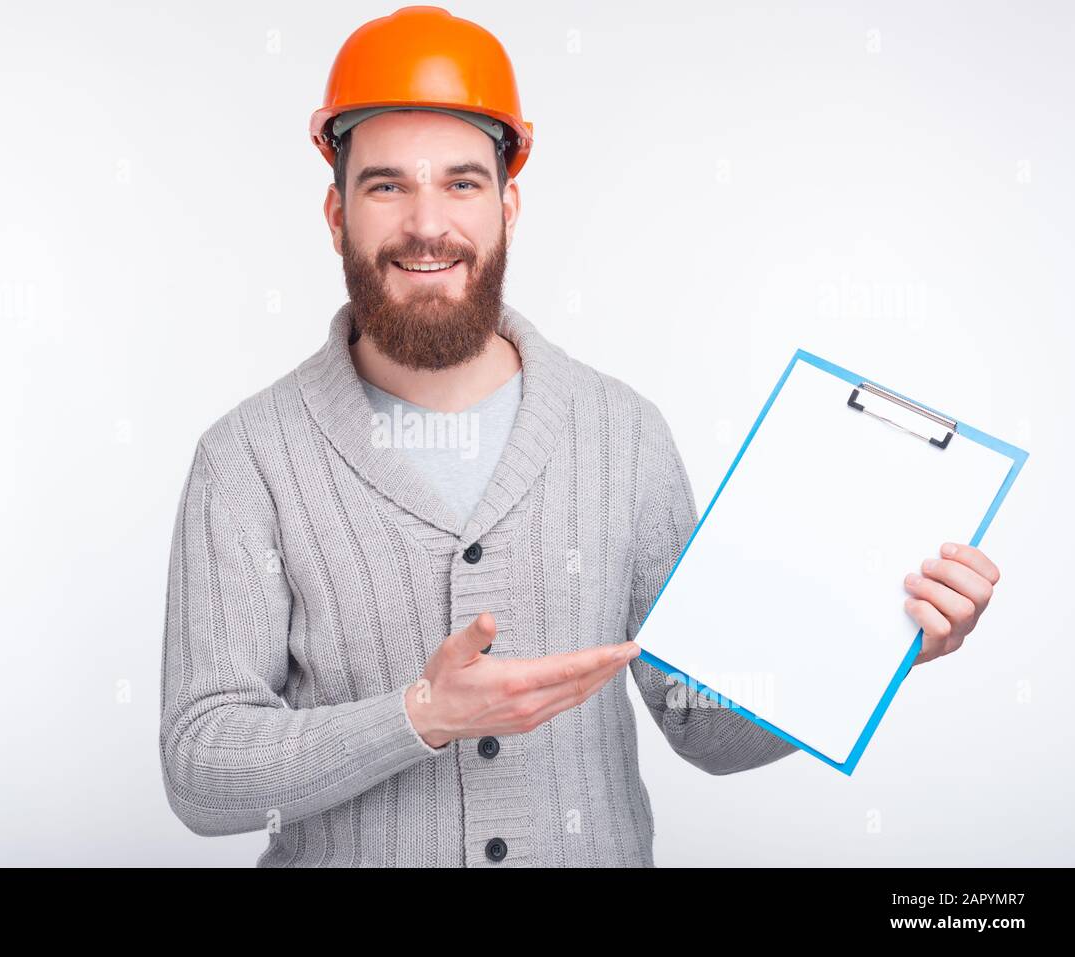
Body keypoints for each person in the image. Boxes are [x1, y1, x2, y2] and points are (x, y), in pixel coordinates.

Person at [158, 6, 1003, 867]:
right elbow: (200, 769)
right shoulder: (246, 460)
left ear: (507, 204)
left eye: (460, 182)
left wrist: (877, 648)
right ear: (337, 215)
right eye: (387, 186)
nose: (425, 223)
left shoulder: (621, 433)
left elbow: (700, 721)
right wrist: (422, 714)